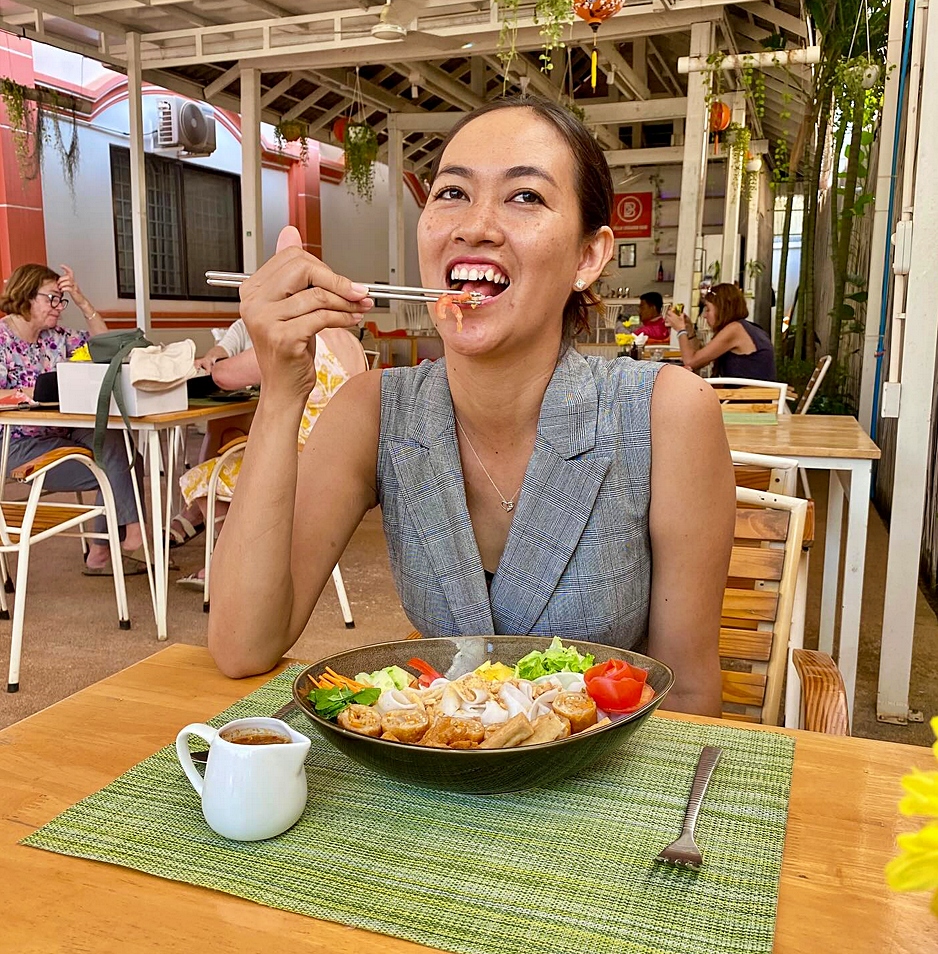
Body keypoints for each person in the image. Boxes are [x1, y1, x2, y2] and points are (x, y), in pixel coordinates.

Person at [208, 96, 735, 717]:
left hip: (601, 792)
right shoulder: (375, 412)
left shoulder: (665, 412)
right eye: (451, 192)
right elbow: (243, 647)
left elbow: (689, 693)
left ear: (588, 257)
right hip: (432, 790)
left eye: (525, 197)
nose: (474, 225)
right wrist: (281, 389)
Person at [175, 327, 367, 589]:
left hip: (297, 468)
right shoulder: (351, 344)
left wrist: (212, 363)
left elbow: (224, 377)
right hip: (337, 465)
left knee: (201, 478)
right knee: (234, 444)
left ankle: (230, 564)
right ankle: (263, 554)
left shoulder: (296, 339)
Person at [0, 263, 146, 575]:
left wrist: (82, 301)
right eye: (52, 298)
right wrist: (25, 393)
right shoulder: (2, 340)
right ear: (26, 295)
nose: (58, 307)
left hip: (62, 430)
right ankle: (122, 541)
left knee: (121, 448)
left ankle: (106, 547)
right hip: (16, 443)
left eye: (61, 299)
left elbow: (108, 348)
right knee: (115, 466)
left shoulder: (56, 337)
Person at [169, 318, 256, 548]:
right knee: (223, 428)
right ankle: (204, 511)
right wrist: (213, 356)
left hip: (286, 446)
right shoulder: (246, 325)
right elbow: (222, 349)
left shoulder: (283, 333)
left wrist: (219, 367)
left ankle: (225, 551)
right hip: (312, 444)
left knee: (225, 427)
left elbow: (223, 375)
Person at [664, 283, 777, 381]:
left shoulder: (735, 329)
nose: (704, 315)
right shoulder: (746, 327)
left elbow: (690, 361)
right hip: (751, 398)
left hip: (749, 401)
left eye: (708, 309)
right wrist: (689, 330)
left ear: (722, 309)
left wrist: (680, 329)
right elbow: (699, 358)